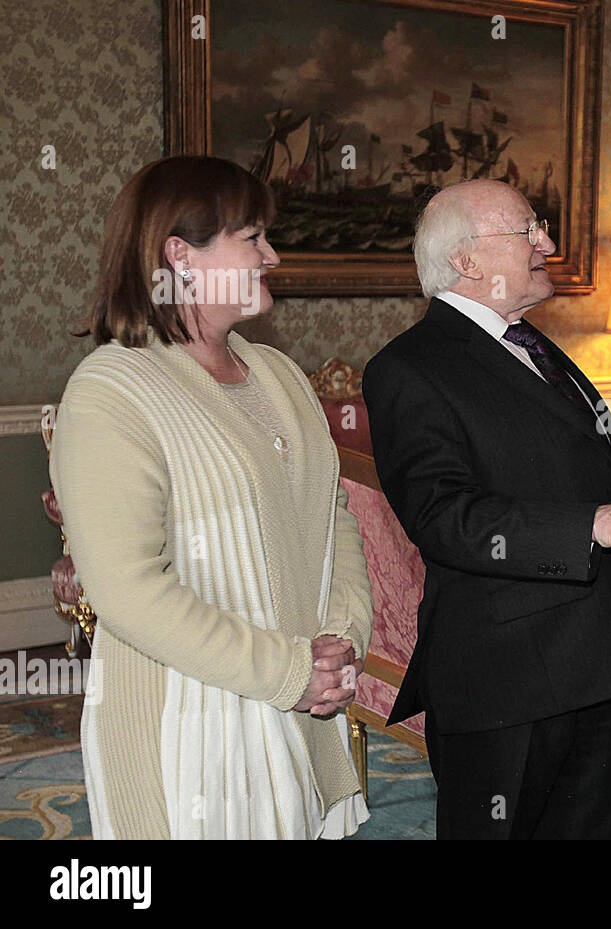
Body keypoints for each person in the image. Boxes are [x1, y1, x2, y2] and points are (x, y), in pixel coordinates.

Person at [49, 155, 372, 839]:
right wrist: (289, 669)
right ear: (180, 255)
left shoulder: (278, 372)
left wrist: (343, 637)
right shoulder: (113, 390)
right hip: (189, 725)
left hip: (299, 703)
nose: (273, 255)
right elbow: (129, 590)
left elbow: (332, 514)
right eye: (252, 237)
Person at [364, 179, 611, 840]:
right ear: (467, 261)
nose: (548, 244)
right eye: (528, 230)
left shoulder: (532, 344)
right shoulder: (409, 368)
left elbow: (553, 470)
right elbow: (445, 516)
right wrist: (595, 523)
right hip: (505, 685)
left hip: (594, 667)